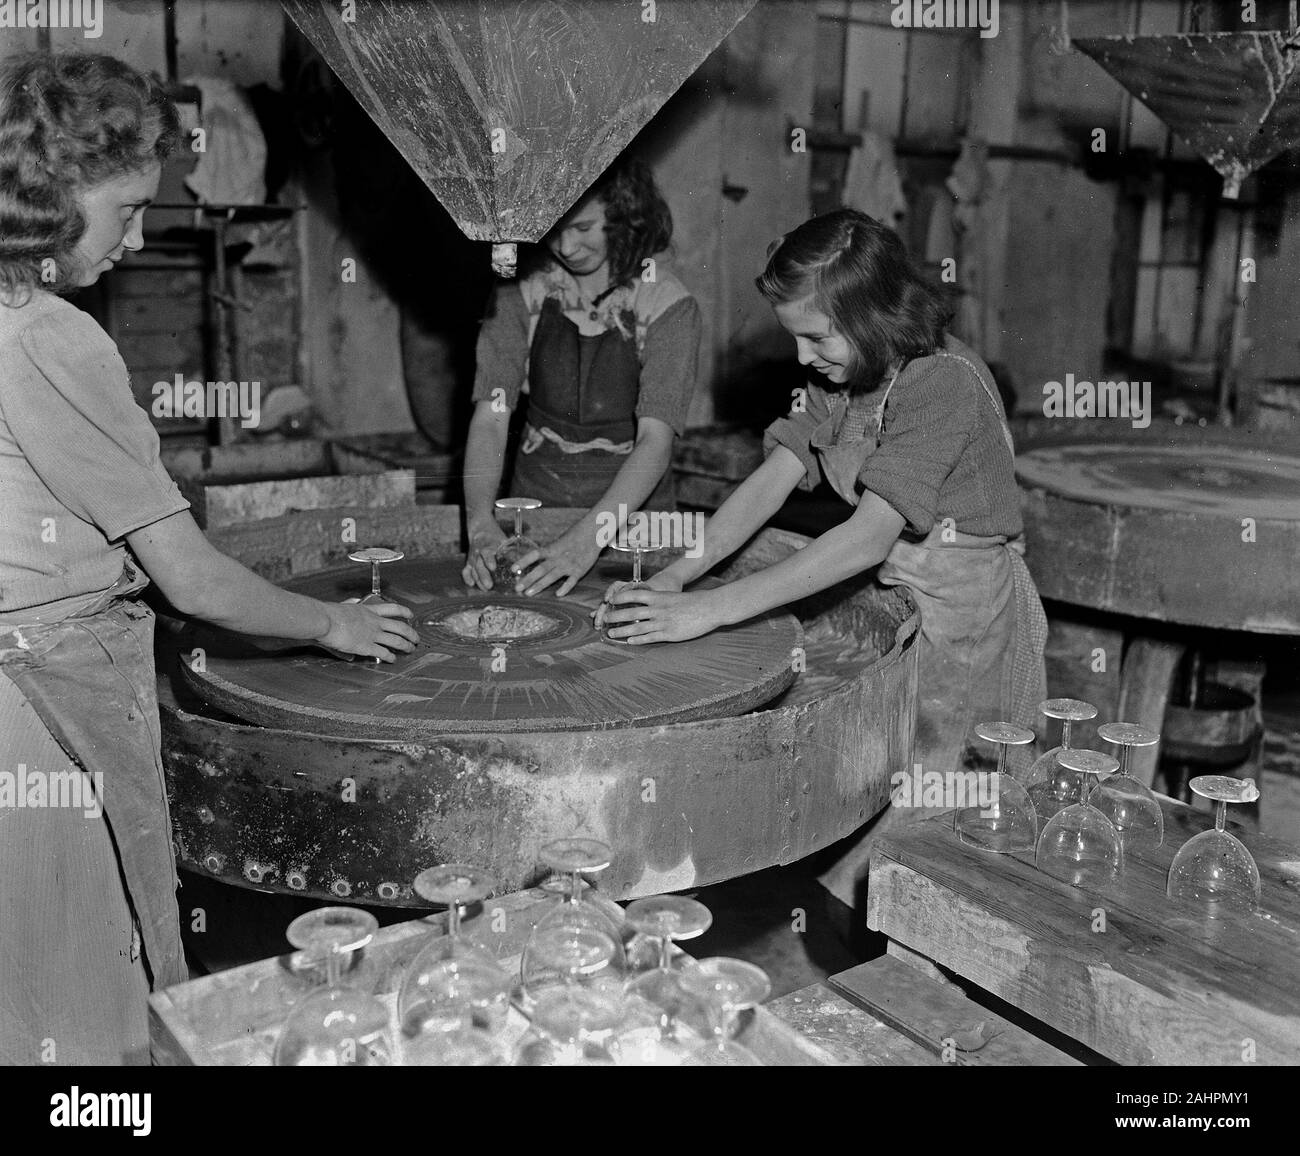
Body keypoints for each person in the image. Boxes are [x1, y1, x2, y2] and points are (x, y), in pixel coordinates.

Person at [0, 52, 419, 1065]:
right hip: (40, 699)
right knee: (88, 993)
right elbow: (188, 578)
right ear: (53, 201)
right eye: (128, 210)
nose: (141, 238)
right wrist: (331, 619)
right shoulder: (50, 334)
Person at [597, 209, 1048, 905]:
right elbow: (769, 481)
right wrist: (677, 575)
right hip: (901, 591)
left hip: (966, 610)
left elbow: (867, 537)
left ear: (871, 314)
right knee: (881, 777)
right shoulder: (842, 380)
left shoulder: (941, 383)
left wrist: (709, 611)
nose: (804, 357)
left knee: (943, 796)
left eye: (815, 337)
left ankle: (925, 963)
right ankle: (873, 927)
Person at [461, 158, 701, 598]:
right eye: (553, 229)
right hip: (535, 505)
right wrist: (479, 524)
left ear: (623, 214)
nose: (566, 246)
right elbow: (491, 418)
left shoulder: (666, 304)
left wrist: (588, 540)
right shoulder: (521, 290)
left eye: (584, 228)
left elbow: (655, 441)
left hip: (634, 521)